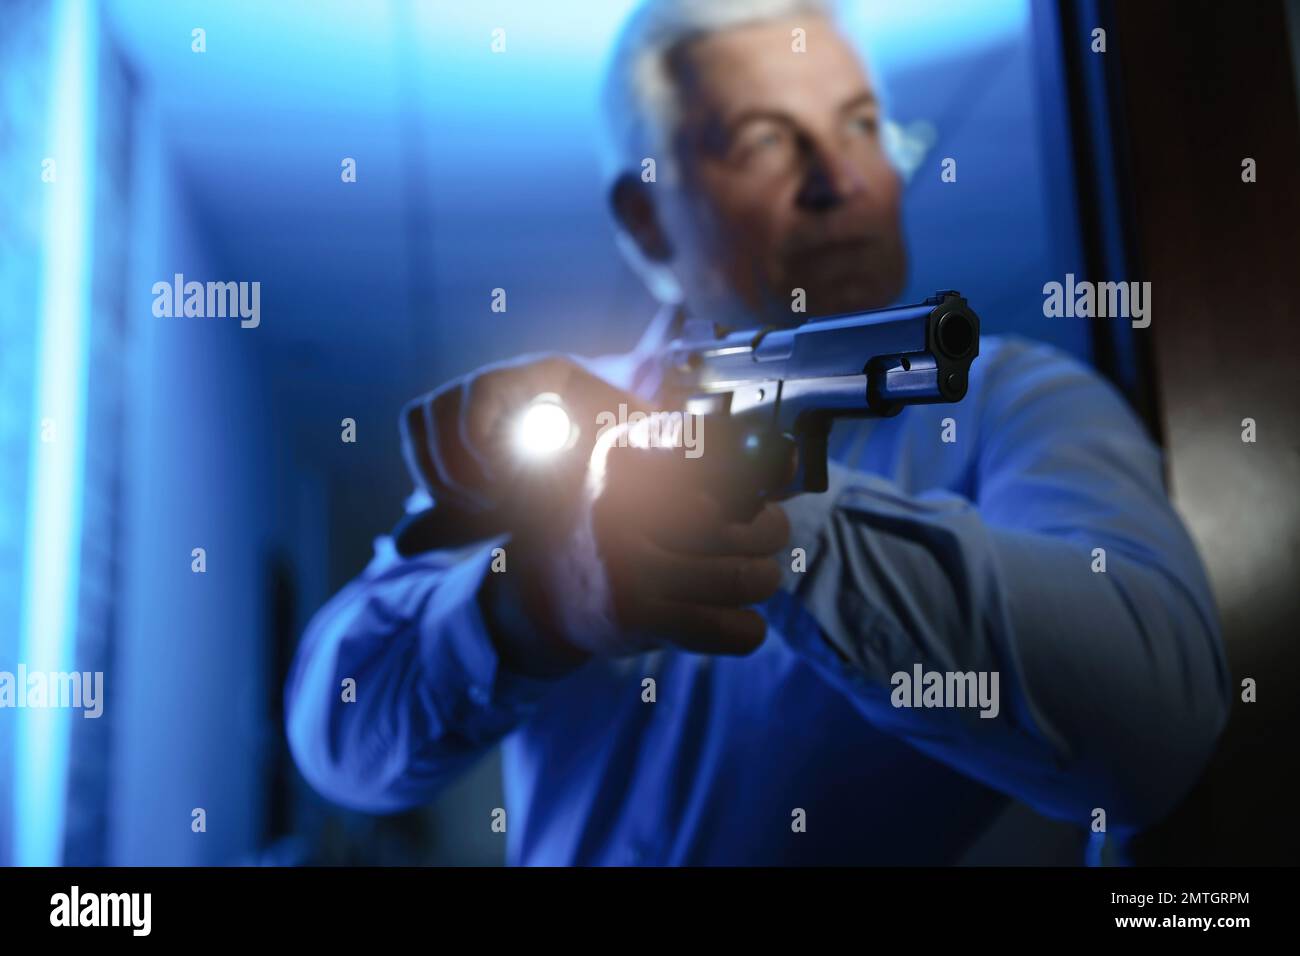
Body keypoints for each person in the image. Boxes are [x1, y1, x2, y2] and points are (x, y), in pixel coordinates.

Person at [284, 0, 1229, 865]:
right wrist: (533, 607)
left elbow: (1156, 735)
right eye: (765, 141)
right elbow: (339, 738)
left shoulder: (1015, 400)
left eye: (861, 125)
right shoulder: (549, 426)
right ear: (646, 219)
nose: (842, 179)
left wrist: (746, 503)